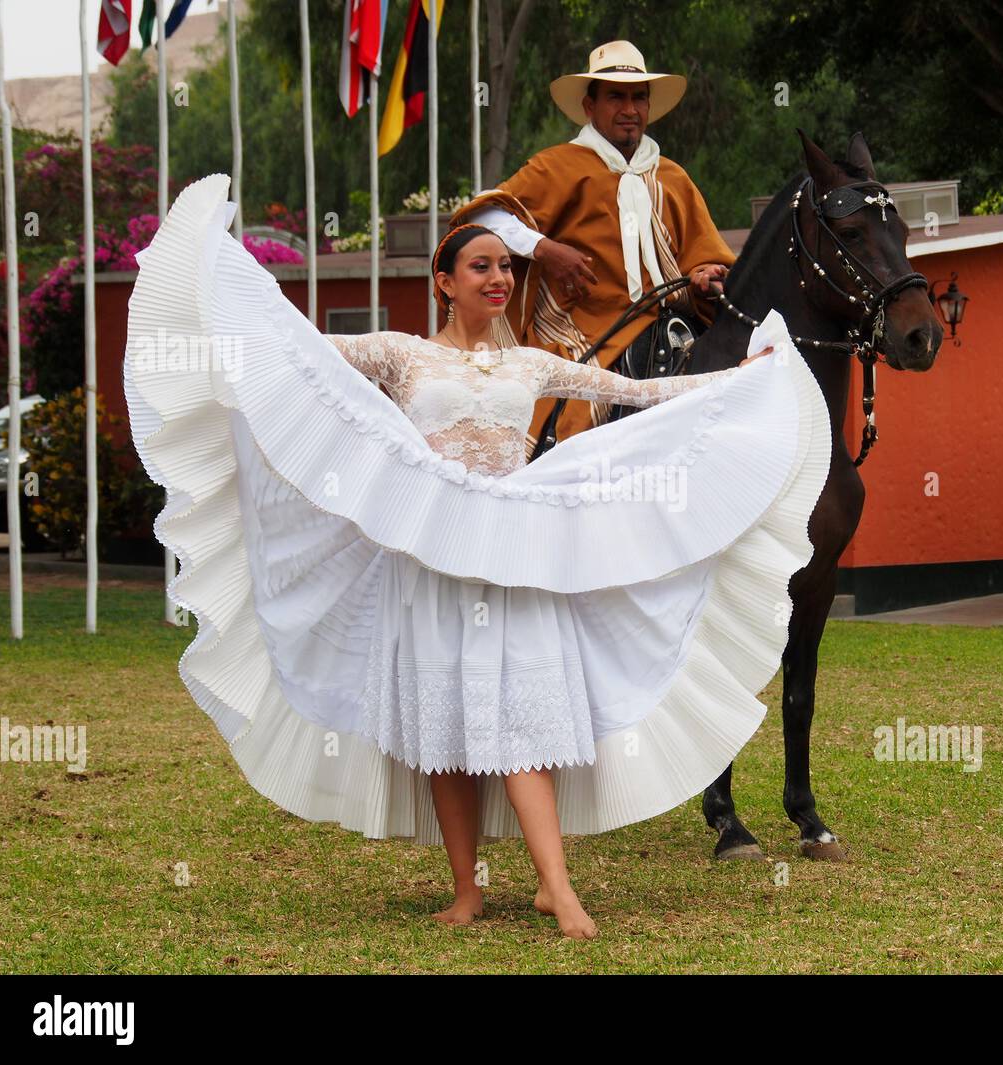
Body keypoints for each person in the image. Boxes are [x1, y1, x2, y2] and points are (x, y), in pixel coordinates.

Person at [123, 174, 830, 940]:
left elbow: (646, 395)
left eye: (505, 267)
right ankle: (467, 890)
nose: (499, 279)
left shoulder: (530, 362)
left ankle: (556, 888)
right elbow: (295, 354)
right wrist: (215, 297)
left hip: (511, 551)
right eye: (481, 267)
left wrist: (748, 380)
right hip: (426, 562)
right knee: (445, 727)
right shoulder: (399, 355)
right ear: (445, 283)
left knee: (523, 718)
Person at [450, 39, 735, 447]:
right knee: (576, 422)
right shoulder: (558, 166)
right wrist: (544, 250)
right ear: (590, 106)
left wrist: (707, 273)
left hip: (675, 323)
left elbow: (708, 256)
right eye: (616, 96)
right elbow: (481, 215)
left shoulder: (673, 177)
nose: (630, 109)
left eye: (639, 97)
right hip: (585, 331)